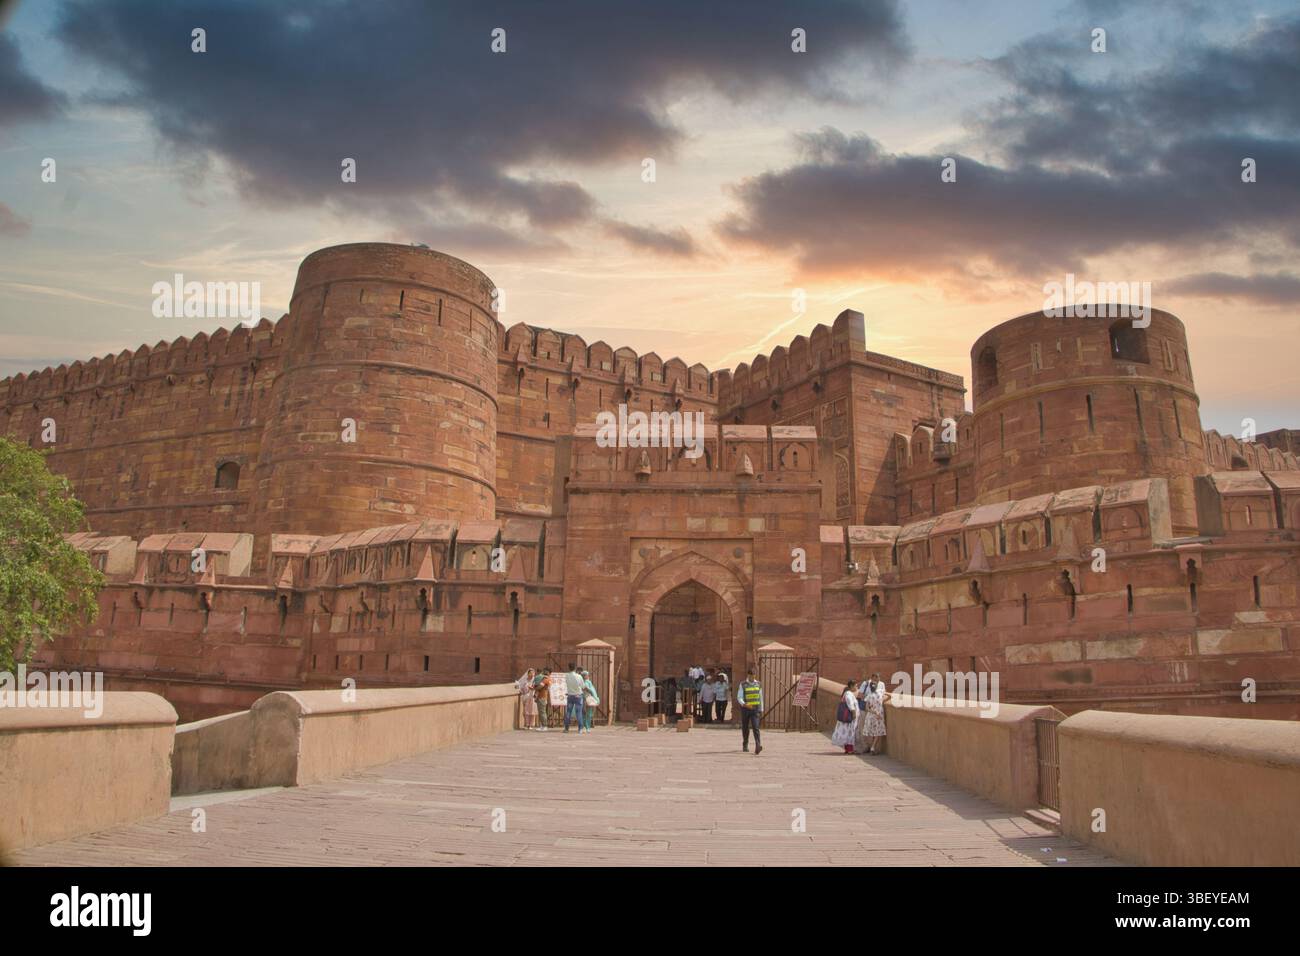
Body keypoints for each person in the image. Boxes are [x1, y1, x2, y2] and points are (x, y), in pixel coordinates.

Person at [736, 668, 763, 754]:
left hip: (755, 709)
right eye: (750, 676)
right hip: (746, 709)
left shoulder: (758, 684)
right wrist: (744, 704)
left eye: (753, 676)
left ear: (755, 676)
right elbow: (739, 697)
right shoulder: (743, 684)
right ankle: (745, 744)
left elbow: (760, 697)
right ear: (748, 675)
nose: (752, 677)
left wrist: (761, 709)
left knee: (756, 727)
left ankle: (758, 745)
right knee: (745, 727)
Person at [861, 673, 888, 755]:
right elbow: (888, 696)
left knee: (869, 732)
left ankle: (869, 746)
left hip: (870, 715)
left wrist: (873, 712)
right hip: (879, 715)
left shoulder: (868, 696)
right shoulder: (880, 694)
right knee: (878, 732)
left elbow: (866, 708)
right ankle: (873, 747)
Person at [832, 679, 860, 754]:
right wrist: (853, 712)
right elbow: (850, 703)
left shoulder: (848, 693)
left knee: (848, 732)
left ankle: (848, 749)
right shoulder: (848, 694)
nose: (857, 687)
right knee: (850, 732)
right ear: (851, 686)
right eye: (856, 686)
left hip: (850, 717)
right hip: (850, 717)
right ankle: (850, 749)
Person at [563, 662, 585, 733]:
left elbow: (566, 683)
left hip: (570, 695)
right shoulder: (579, 676)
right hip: (578, 695)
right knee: (578, 712)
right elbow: (583, 686)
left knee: (568, 712)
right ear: (575, 668)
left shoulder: (566, 675)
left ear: (569, 667)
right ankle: (580, 728)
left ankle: (566, 728)